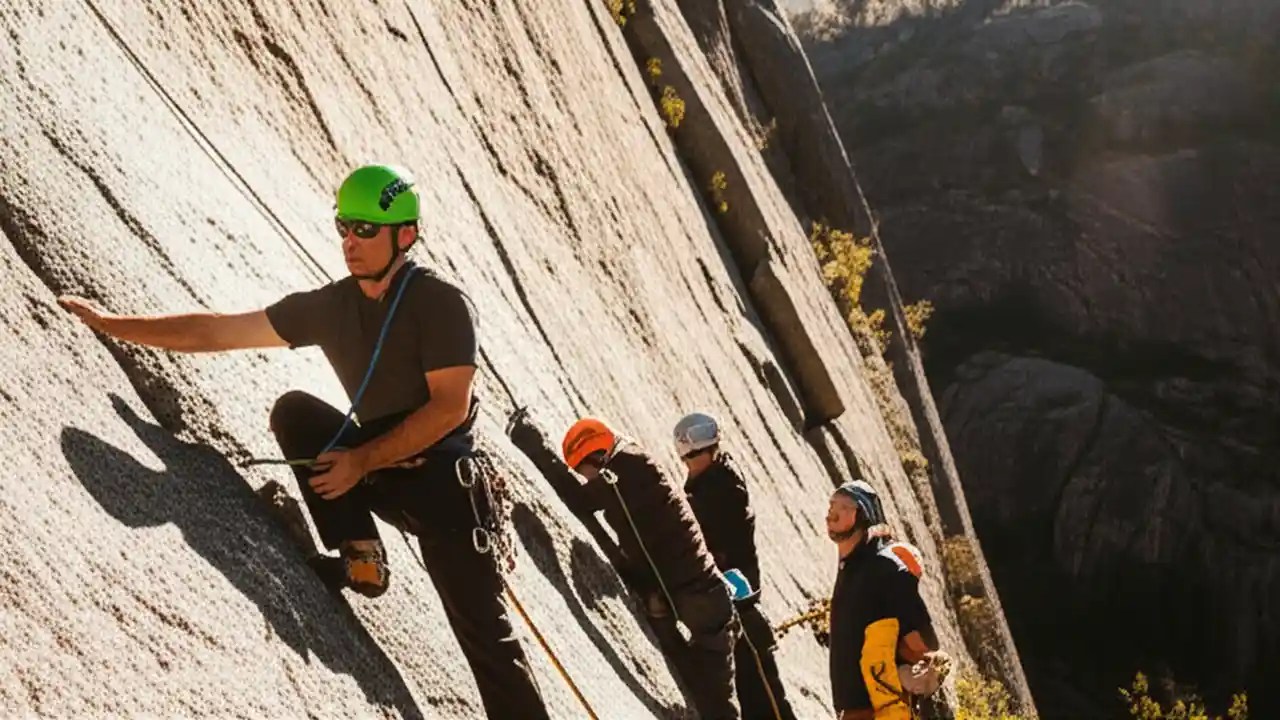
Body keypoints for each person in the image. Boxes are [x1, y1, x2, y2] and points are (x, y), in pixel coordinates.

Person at [57, 163, 550, 720]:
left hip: (444, 495)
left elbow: (449, 408)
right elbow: (219, 331)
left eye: (366, 229)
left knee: (487, 644)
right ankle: (360, 557)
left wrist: (360, 460)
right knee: (297, 414)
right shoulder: (333, 306)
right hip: (379, 468)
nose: (350, 241)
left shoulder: (441, 303)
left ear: (404, 235)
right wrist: (111, 323)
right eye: (344, 226)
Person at [559, 417, 741, 720]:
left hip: (698, 593)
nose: (584, 478)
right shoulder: (631, 462)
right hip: (698, 592)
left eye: (583, 471)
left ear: (597, 458)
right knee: (705, 689)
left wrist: (533, 447)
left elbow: (582, 500)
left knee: (716, 701)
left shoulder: (622, 474)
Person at [674, 412, 798, 720]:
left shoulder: (722, 487)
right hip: (725, 595)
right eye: (690, 457)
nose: (692, 462)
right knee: (744, 686)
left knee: (763, 692)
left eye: (697, 455)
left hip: (739, 600)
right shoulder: (708, 482)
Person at [825, 480, 948, 720]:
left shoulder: (885, 569)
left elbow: (923, 643)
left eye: (844, 507)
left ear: (863, 516)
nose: (832, 513)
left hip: (876, 709)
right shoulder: (851, 564)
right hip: (853, 709)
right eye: (832, 504)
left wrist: (903, 661)